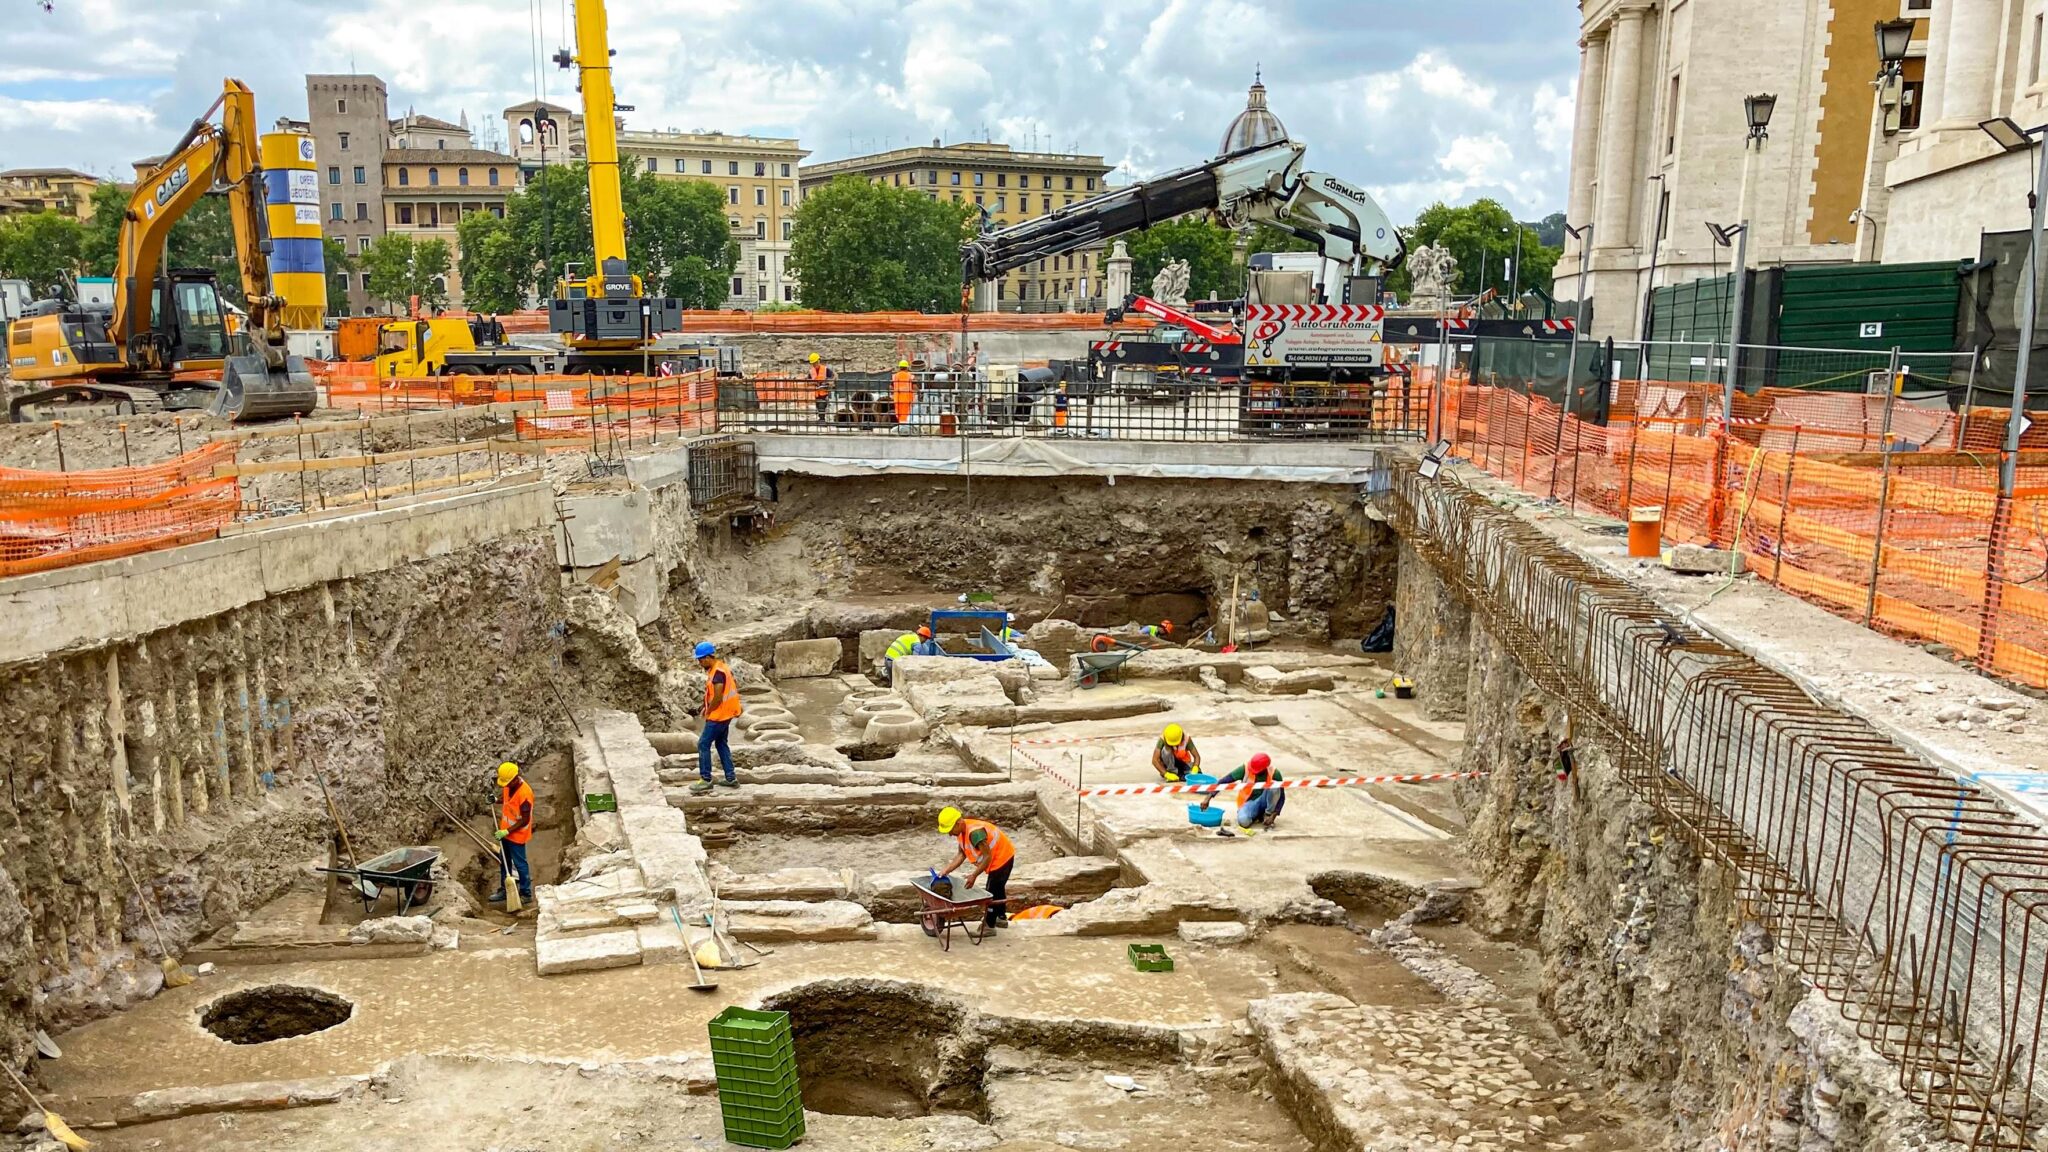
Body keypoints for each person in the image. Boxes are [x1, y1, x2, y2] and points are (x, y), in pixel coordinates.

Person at [934, 806, 1015, 930]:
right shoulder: (961, 833)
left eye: (950, 830)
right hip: (998, 857)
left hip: (1002, 857)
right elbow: (961, 854)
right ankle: (1001, 917)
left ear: (959, 823)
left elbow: (987, 857)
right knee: (998, 889)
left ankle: (989, 925)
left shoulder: (975, 833)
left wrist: (974, 876)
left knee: (991, 891)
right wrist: (947, 870)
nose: (950, 834)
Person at [689, 641, 743, 794]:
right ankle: (731, 778)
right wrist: (704, 705)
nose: (700, 663)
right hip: (726, 714)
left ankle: (706, 779)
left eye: (700, 660)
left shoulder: (718, 673)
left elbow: (718, 697)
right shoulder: (719, 668)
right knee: (721, 744)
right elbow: (713, 694)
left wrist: (708, 710)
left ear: (707, 657)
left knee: (703, 744)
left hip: (719, 715)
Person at [1201, 752, 1283, 837]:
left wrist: (1273, 815)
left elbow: (1281, 797)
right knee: (1243, 821)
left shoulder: (1274, 773)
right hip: (1249, 803)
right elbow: (1223, 782)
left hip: (1266, 802)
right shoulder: (1245, 769)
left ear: (1264, 768)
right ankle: (1258, 816)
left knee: (1275, 787)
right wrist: (1208, 797)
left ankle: (1267, 815)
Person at [489, 761, 535, 905]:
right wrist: (496, 800)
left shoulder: (525, 794)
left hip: (517, 835)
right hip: (505, 832)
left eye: (508, 783)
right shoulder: (509, 786)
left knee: (520, 864)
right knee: (504, 861)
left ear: (516, 778)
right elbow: (507, 800)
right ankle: (505, 889)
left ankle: (526, 893)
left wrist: (506, 831)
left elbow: (525, 820)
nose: (506, 786)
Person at [808, 352, 832, 421]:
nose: (814, 365)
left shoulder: (825, 369)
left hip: (825, 393)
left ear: (818, 361)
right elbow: (808, 381)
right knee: (818, 406)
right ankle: (821, 419)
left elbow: (832, 378)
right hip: (816, 393)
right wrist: (813, 383)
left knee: (822, 405)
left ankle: (822, 420)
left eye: (815, 363)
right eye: (813, 363)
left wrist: (828, 383)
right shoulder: (811, 371)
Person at [892, 360, 916, 426]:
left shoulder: (895, 376)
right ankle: (904, 427)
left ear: (899, 367)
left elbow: (890, 387)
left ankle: (900, 425)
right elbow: (914, 386)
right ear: (907, 367)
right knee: (905, 413)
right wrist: (919, 392)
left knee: (898, 413)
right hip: (907, 398)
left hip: (897, 398)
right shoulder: (910, 376)